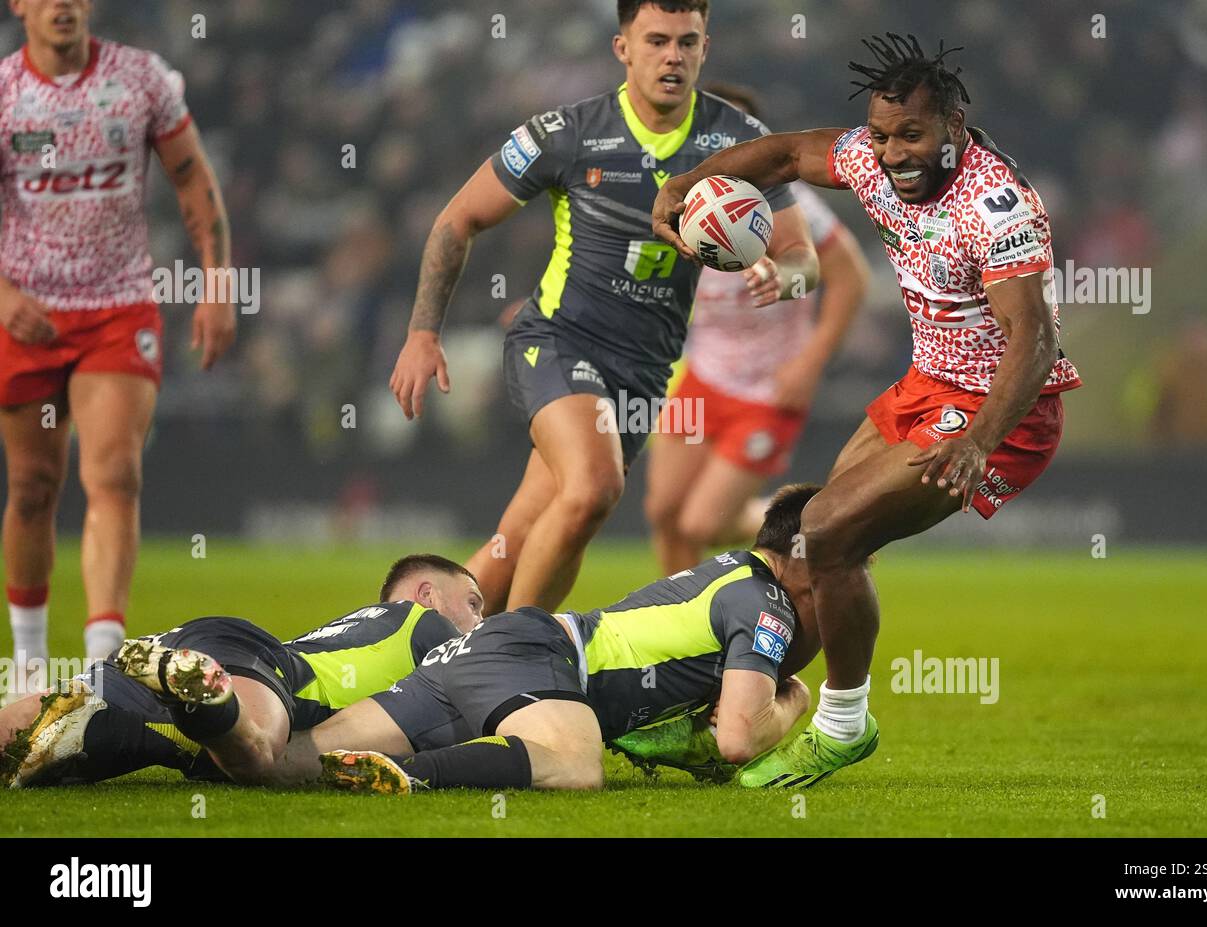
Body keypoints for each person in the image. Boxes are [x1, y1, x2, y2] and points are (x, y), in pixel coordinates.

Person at [651, 33, 1082, 787]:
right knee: (795, 538)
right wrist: (687, 180)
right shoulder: (871, 161)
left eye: (911, 134)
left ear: (953, 125)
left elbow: (1035, 340)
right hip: (924, 386)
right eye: (882, 135)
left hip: (1003, 410)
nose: (892, 153)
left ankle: (844, 724)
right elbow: (784, 155)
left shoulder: (999, 204)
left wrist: (980, 439)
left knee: (828, 529)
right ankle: (728, 715)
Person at [387, 0, 819, 616]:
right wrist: (423, 333)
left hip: (645, 373)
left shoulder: (739, 144)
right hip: (561, 341)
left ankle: (403, 652)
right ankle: (513, 655)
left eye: (687, 42)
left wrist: (787, 280)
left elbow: (807, 258)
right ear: (624, 49)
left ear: (705, 48)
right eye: (657, 41)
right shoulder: (569, 132)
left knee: (518, 538)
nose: (673, 56)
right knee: (595, 487)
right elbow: (460, 217)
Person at [263, 484, 840, 793]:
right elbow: (737, 740)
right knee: (575, 766)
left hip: (486, 653)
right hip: (540, 655)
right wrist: (795, 699)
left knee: (293, 756)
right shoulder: (766, 601)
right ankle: (411, 774)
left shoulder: (731, 571)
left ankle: (189, 736)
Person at [0, 0, 236, 702]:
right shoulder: (5, 94)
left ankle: (103, 664)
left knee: (113, 472)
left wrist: (217, 280)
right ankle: (31, 659)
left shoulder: (141, 82)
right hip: (26, 313)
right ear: (18, 5)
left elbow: (192, 176)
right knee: (33, 487)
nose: (62, 4)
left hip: (117, 307)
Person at [0, 554, 481, 787]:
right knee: (256, 754)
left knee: (24, 742)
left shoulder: (373, 627)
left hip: (206, 647)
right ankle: (198, 695)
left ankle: (103, 718)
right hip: (255, 667)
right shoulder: (433, 629)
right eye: (474, 604)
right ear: (427, 594)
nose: (480, 621)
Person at [645, 82, 871, 574]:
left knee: (701, 525)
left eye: (743, 136)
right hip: (703, 375)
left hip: (770, 387)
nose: (730, 146)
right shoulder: (681, 199)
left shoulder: (790, 205)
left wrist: (810, 363)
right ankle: (678, 628)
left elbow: (848, 277)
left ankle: (807, 526)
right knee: (664, 512)